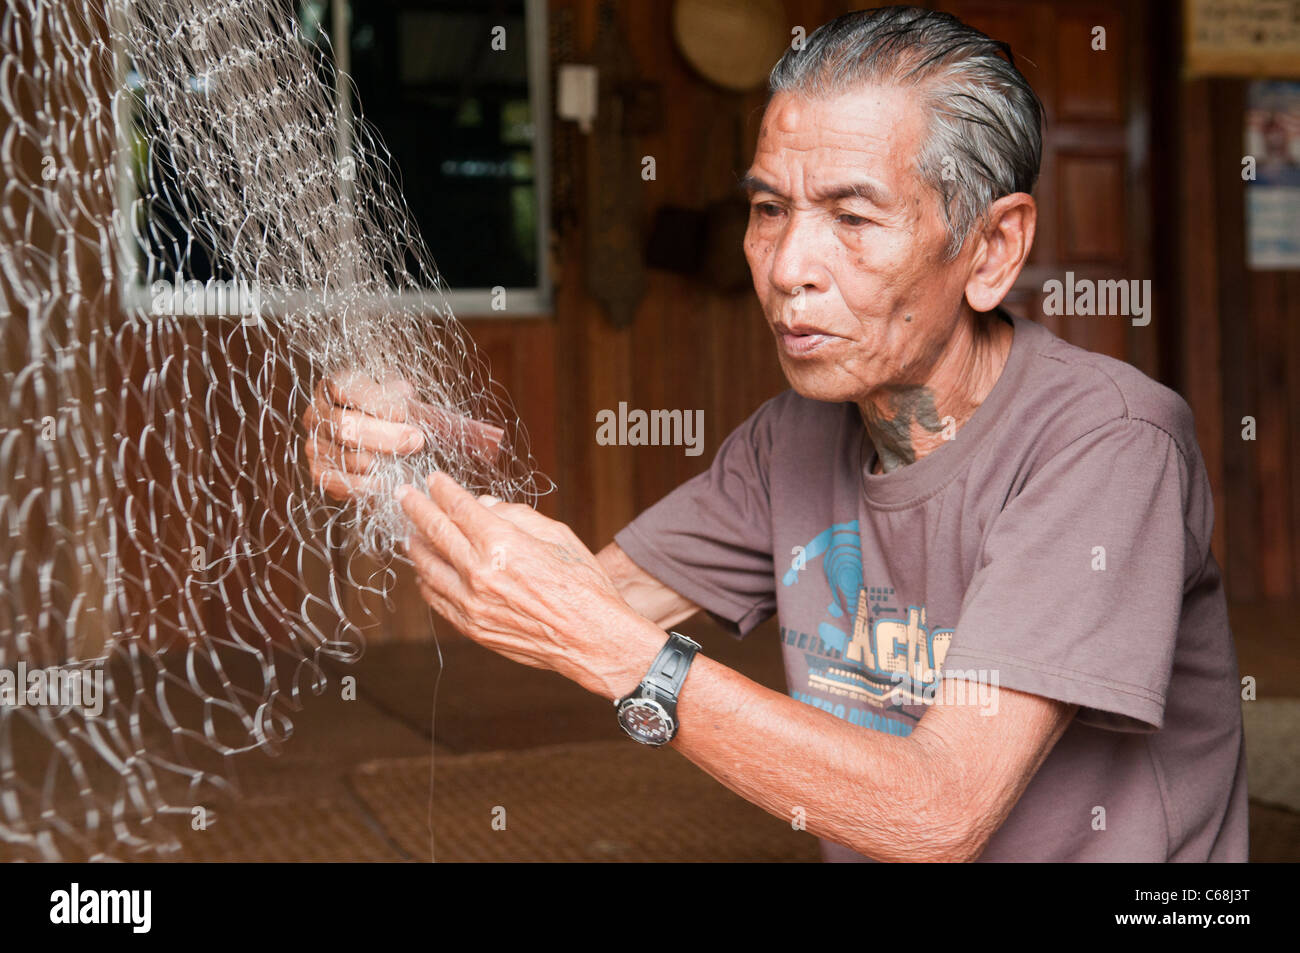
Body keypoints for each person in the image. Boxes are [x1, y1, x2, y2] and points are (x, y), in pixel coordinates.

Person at [302, 7, 1247, 861]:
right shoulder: (791, 439)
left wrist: (633, 661)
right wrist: (400, 470)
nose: (789, 266)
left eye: (852, 215)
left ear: (991, 249)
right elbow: (572, 604)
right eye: (768, 210)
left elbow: (938, 812)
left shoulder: (1111, 444)